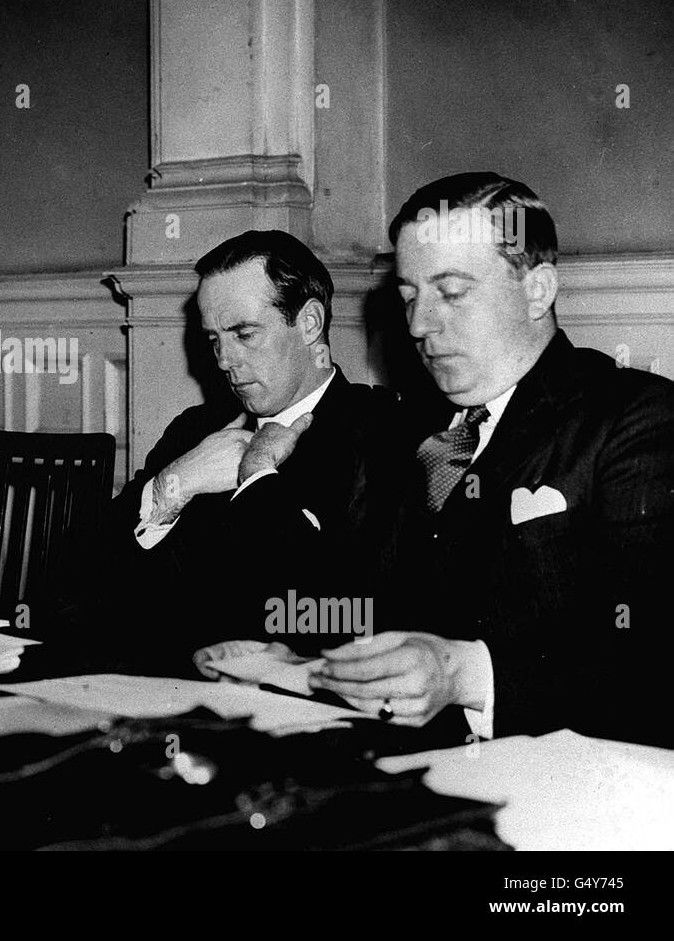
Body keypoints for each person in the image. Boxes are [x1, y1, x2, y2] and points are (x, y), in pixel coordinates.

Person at [243, 173, 674, 746]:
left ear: (537, 289)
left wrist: (463, 675)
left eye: (451, 292)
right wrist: (299, 654)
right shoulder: (404, 431)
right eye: (409, 298)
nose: (419, 326)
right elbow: (369, 601)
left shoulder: (635, 421)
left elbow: (645, 652)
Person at [64, 231, 403, 673]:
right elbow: (80, 579)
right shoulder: (197, 430)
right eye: (214, 339)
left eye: (244, 334)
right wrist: (176, 484)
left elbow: (354, 614)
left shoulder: (380, 433)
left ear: (310, 323)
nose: (224, 360)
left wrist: (258, 474)